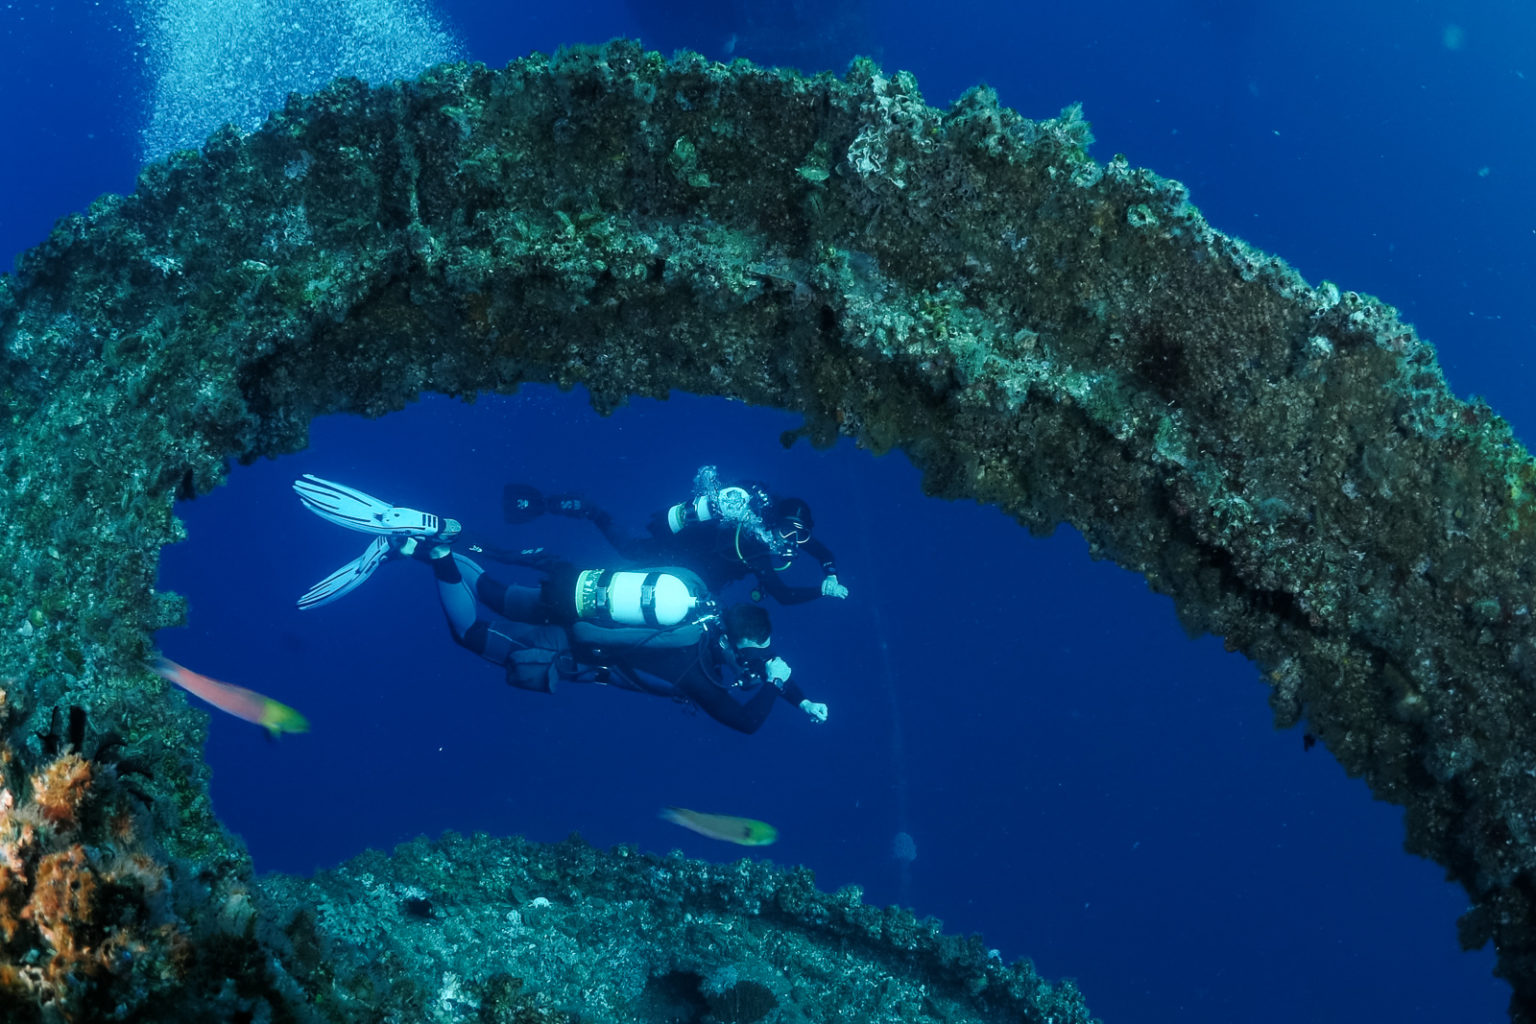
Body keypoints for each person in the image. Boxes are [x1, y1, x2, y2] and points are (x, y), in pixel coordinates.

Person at [292, 475, 828, 732]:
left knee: (491, 593)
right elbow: (744, 722)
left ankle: (419, 546)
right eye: (751, 654)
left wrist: (798, 696)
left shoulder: (695, 597)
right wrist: (778, 685)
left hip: (576, 594)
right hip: (565, 648)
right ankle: (433, 552)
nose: (748, 663)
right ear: (738, 645)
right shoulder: (696, 670)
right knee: (472, 634)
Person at [504, 465, 849, 605]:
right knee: (631, 553)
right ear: (777, 520)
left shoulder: (784, 531)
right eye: (791, 531)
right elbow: (783, 596)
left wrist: (830, 572)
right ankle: (588, 509)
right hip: (682, 558)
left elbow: (822, 551)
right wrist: (822, 590)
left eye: (800, 535)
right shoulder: (753, 544)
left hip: (697, 564)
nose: (794, 541)